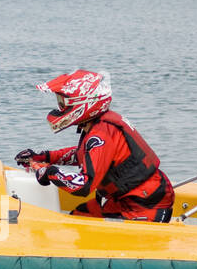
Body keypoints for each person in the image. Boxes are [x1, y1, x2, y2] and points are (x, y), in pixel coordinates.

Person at [15, 70, 175, 223]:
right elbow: (84, 154)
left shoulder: (101, 134)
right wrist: (42, 157)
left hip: (144, 205)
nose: (59, 108)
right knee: (78, 218)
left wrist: (50, 172)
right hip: (127, 199)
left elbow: (84, 186)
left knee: (86, 234)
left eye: (62, 103)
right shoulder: (99, 125)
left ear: (82, 103)